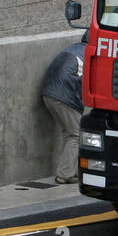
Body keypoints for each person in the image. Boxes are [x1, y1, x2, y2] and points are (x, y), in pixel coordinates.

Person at [41, 35, 86, 184]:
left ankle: (68, 171)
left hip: (47, 94)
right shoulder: (89, 54)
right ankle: (65, 174)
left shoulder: (72, 49)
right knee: (76, 134)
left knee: (69, 133)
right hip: (63, 98)